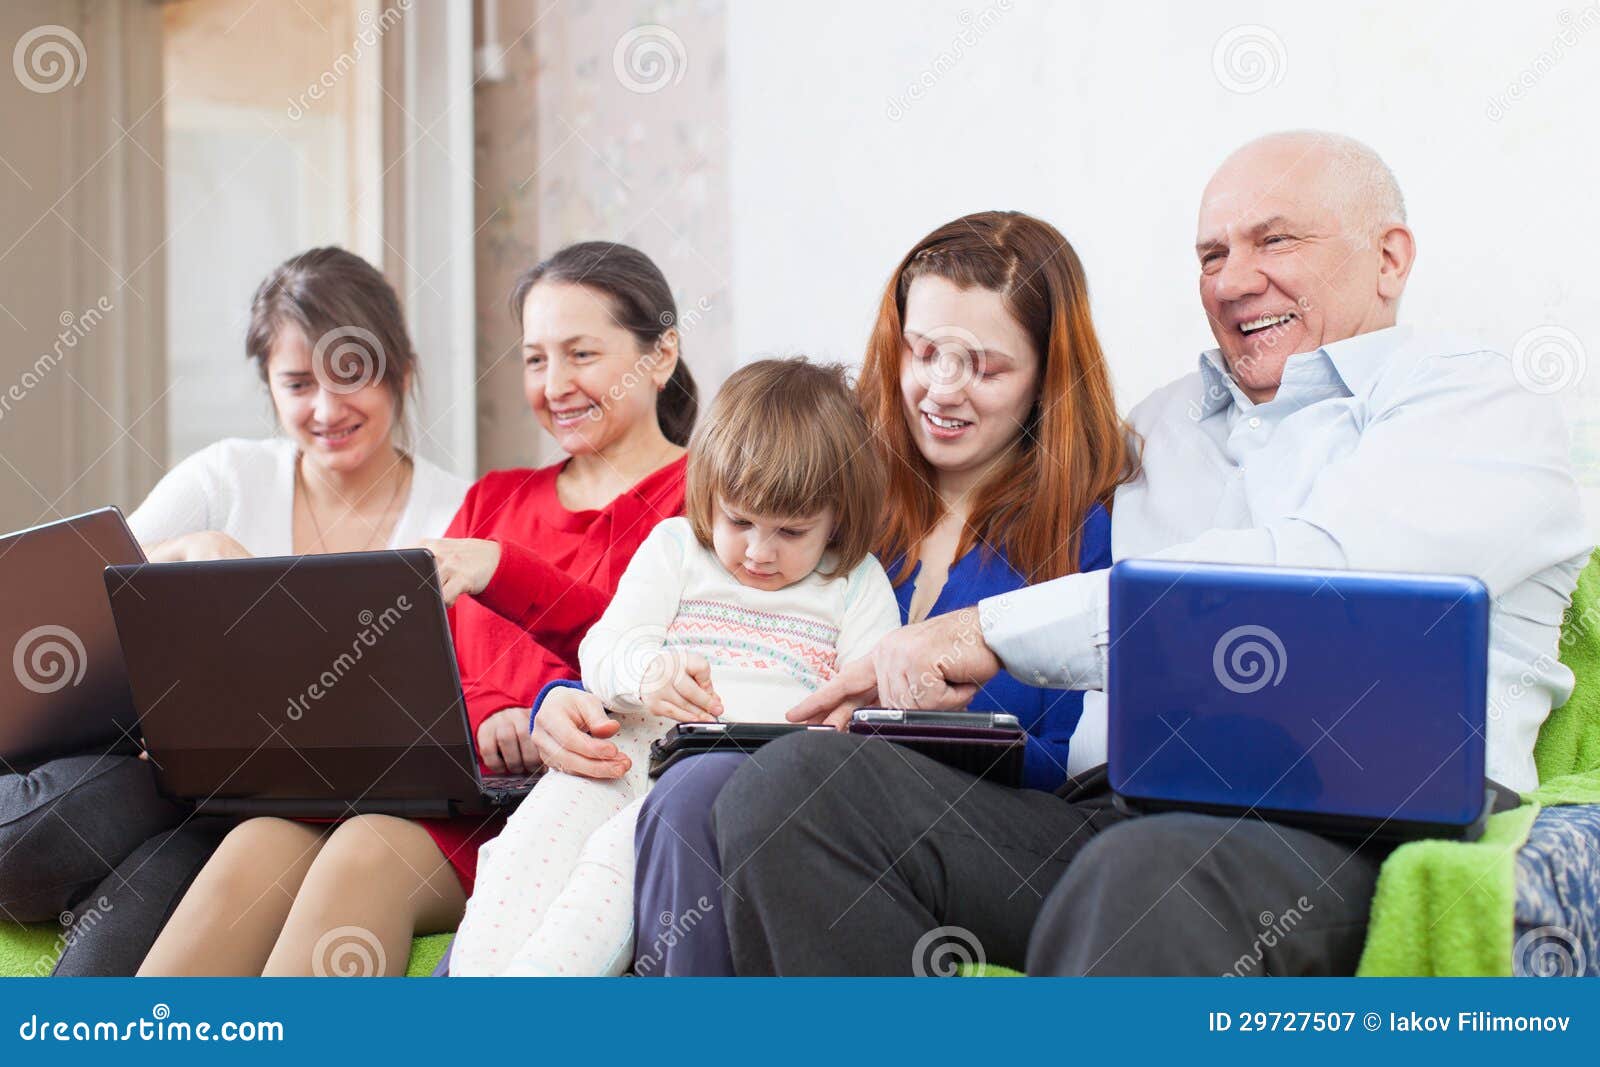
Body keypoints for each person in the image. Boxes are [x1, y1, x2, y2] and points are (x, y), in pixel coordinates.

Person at [709, 131, 1593, 976]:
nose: (1235, 281)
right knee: (791, 792)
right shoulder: (1154, 429)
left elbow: (1322, 575)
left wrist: (982, 630)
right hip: (1107, 813)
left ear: (1390, 257)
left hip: (1345, 818)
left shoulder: (1474, 402)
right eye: (1212, 256)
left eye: (1273, 240)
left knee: (1144, 876)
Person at [137, 241, 699, 976]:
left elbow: (638, 652)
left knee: (362, 856)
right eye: (534, 360)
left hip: (553, 805)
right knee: (254, 843)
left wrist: (521, 638)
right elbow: (435, 662)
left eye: (582, 354)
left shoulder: (709, 508)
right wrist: (502, 703)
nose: (555, 383)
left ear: (660, 356)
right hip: (448, 779)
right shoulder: (494, 499)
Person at [599, 209, 1137, 974]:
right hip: (772, 770)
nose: (941, 390)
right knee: (698, 788)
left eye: (984, 367)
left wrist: (950, 724)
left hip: (981, 825)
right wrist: (561, 692)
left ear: (1048, 374)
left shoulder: (1088, 528)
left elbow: (1081, 761)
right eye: (923, 352)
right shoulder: (828, 484)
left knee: (735, 789)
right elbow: (668, 594)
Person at [0, 247, 467, 976]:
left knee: (106, 929)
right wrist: (195, 547)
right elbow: (94, 589)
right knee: (36, 847)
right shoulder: (228, 475)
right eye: (297, 382)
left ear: (401, 370)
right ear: (268, 387)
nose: (325, 408)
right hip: (176, 782)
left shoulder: (457, 513)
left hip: (291, 812)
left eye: (353, 375)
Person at [451, 358, 900, 976]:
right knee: (518, 855)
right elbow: (603, 650)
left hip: (719, 789)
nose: (758, 552)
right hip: (620, 754)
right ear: (709, 492)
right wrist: (647, 674)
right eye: (739, 520)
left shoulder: (855, 583)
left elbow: (872, 707)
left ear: (838, 522)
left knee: (612, 869)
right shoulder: (676, 548)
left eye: (792, 532)